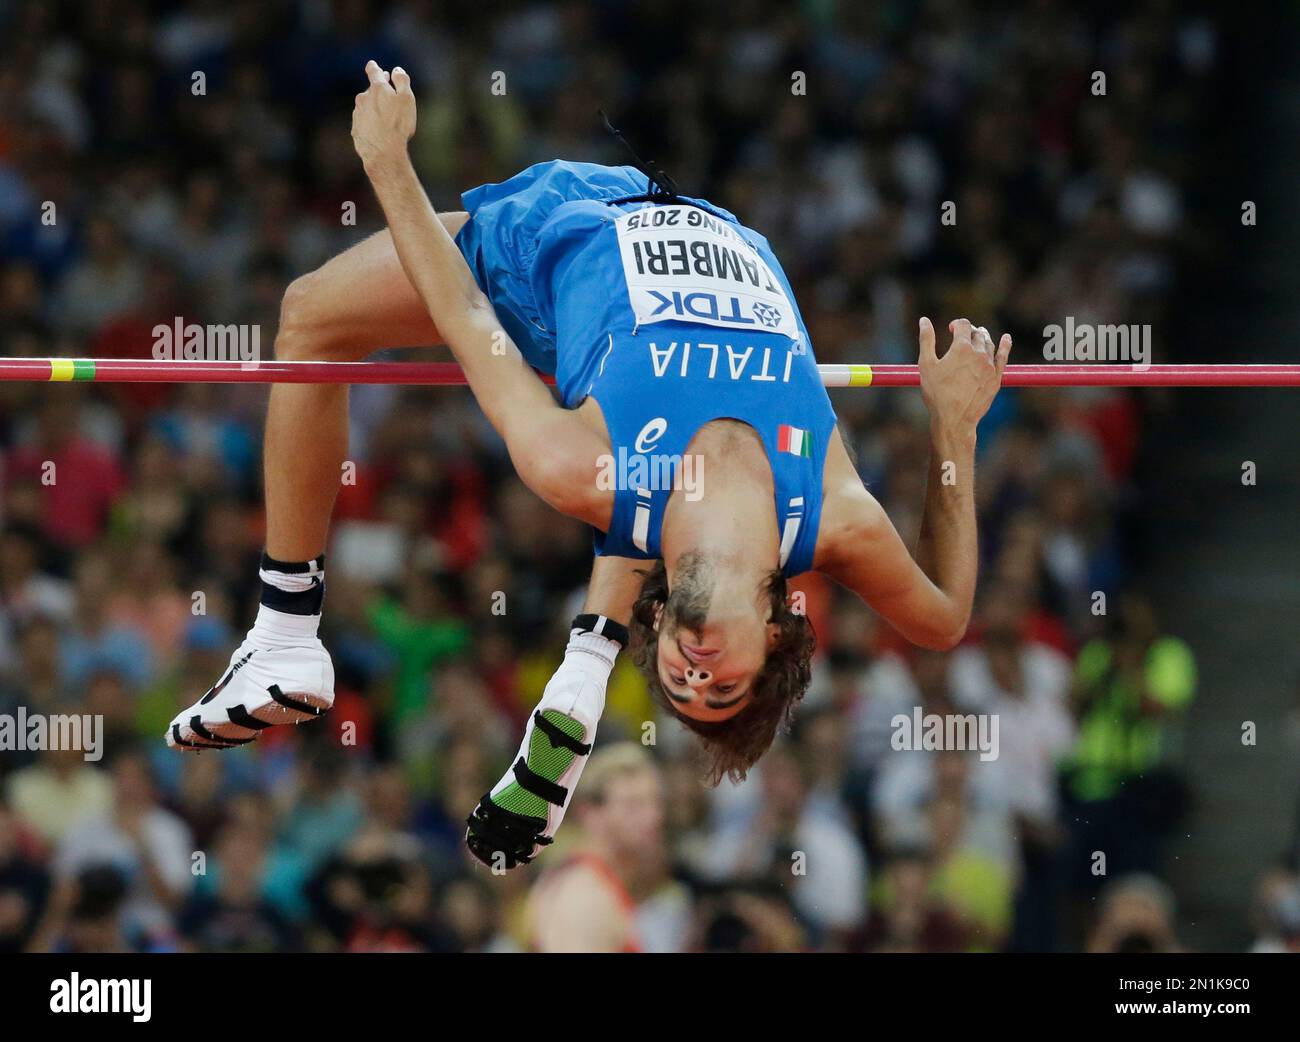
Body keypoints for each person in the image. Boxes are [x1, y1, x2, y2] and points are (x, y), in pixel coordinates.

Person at [166, 61, 1010, 871]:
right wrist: (954, 430)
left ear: (660, 635)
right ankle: (572, 700)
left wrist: (388, 163)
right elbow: (942, 617)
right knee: (661, 534)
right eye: (723, 689)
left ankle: (284, 635)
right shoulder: (831, 512)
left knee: (309, 317)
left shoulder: (580, 471)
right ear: (779, 635)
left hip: (544, 253)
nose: (694, 675)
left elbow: (462, 312)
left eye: (682, 688)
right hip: (702, 217)